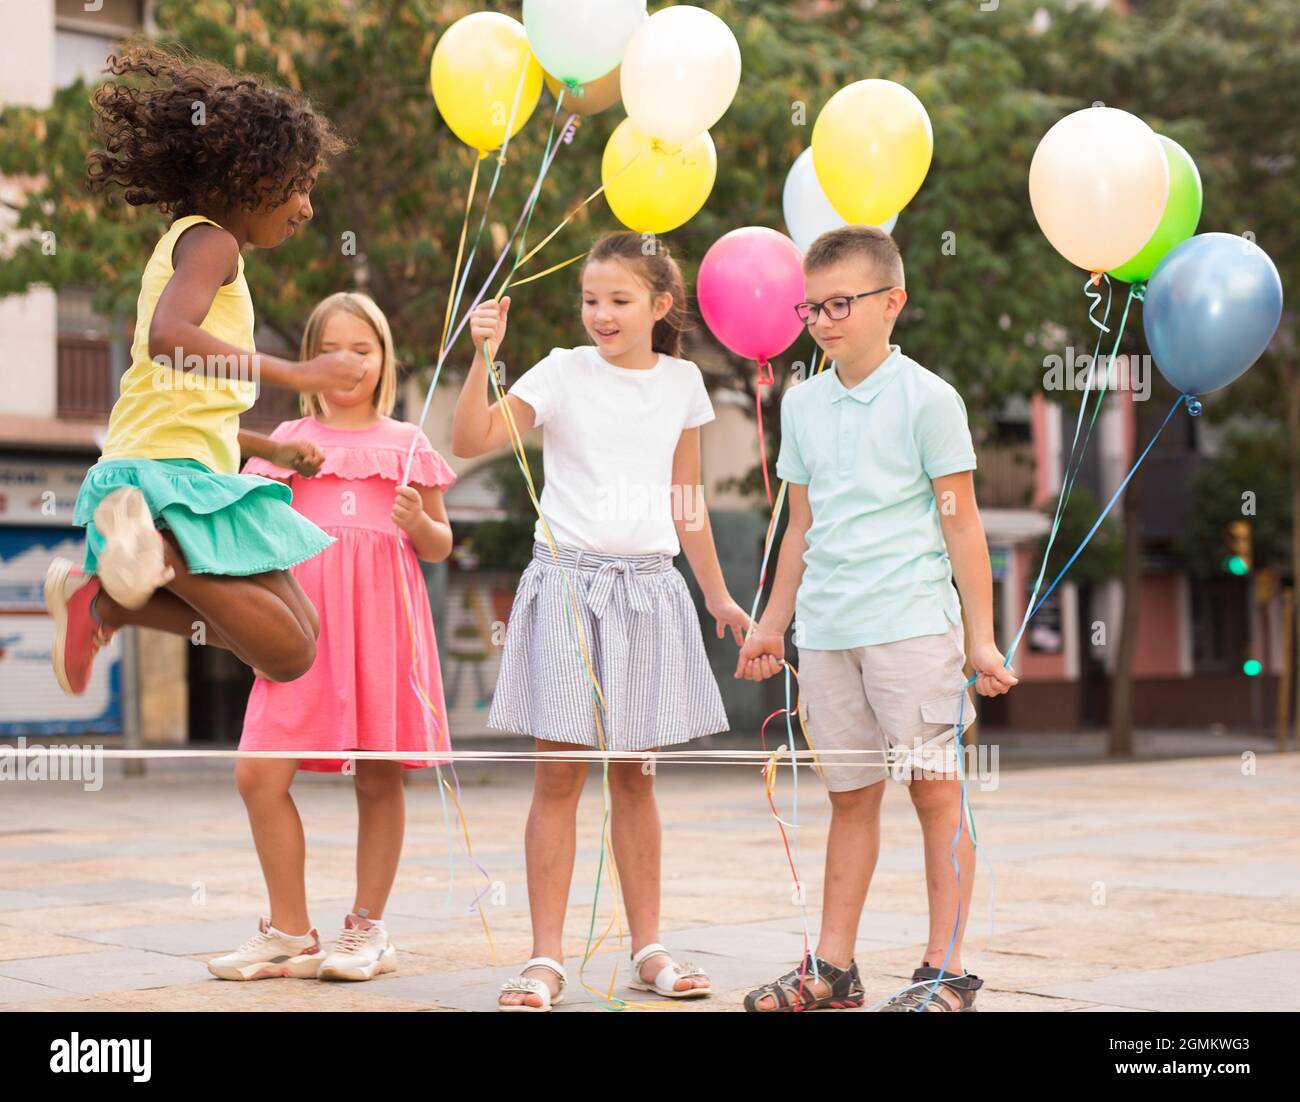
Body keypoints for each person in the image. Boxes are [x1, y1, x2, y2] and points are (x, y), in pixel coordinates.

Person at [452, 232, 750, 1012]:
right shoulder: (560, 370)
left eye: (619, 300)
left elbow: (688, 501)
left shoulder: (684, 383)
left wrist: (716, 593)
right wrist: (484, 356)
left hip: (650, 591)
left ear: (660, 304)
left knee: (638, 778)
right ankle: (545, 958)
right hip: (568, 586)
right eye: (591, 300)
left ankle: (648, 947)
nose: (601, 314)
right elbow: (470, 440)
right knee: (558, 778)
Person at [737, 226, 1018, 1012]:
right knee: (850, 797)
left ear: (891, 302)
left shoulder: (930, 398)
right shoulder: (802, 403)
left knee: (935, 792)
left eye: (841, 304)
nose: (824, 321)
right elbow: (798, 526)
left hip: (913, 627)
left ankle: (945, 971)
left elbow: (962, 523)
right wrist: (772, 622)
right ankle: (832, 968)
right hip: (827, 634)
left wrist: (981, 639)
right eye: (812, 307)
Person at [45, 46, 361, 699]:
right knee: (290, 652)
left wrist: (270, 447)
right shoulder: (211, 242)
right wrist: (298, 375)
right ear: (246, 178)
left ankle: (102, 601)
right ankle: (154, 554)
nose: (306, 207)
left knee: (292, 637)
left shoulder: (199, 244)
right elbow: (168, 338)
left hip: (178, 466)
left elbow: (188, 406)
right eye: (298, 185)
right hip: (168, 477)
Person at [209, 292, 456, 982]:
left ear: (385, 360)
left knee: (379, 777)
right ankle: (289, 928)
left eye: (363, 348)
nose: (346, 363)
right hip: (302, 629)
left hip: (383, 626)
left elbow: (440, 546)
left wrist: (417, 523)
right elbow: (250, 528)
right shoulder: (289, 439)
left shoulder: (409, 445)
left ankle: (367, 928)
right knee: (257, 771)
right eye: (329, 350)